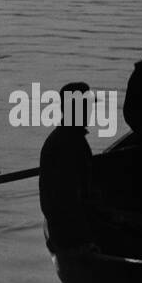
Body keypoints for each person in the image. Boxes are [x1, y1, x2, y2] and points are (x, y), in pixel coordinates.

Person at [38, 82, 96, 254]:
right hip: (69, 234)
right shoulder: (67, 144)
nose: (90, 111)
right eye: (86, 105)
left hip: (70, 226)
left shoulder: (71, 139)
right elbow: (65, 201)